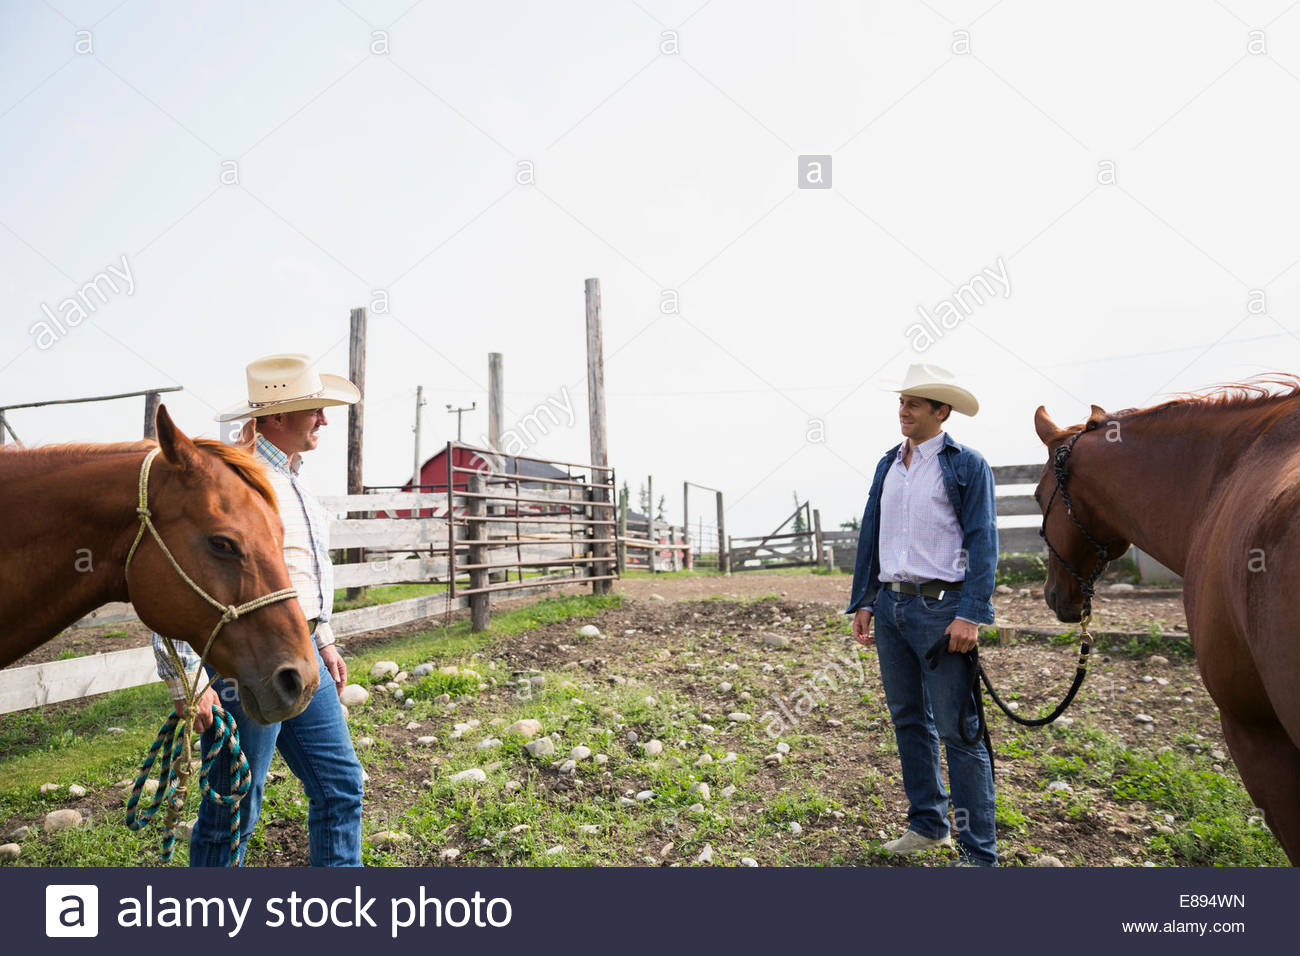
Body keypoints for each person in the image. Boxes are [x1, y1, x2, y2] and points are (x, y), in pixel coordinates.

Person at [152, 353, 364, 867]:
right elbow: (177, 579)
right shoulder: (229, 480)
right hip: (244, 657)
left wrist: (325, 635)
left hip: (300, 647)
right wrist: (189, 681)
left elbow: (307, 570)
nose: (324, 420)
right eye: (314, 409)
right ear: (275, 417)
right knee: (233, 807)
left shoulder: (295, 478)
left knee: (340, 787)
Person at [847, 363, 999, 866]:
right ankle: (929, 825)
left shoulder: (965, 465)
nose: (903, 411)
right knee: (909, 719)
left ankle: (979, 855)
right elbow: (875, 534)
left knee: (960, 731)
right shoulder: (888, 464)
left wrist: (971, 614)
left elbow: (983, 541)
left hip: (943, 611)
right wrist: (867, 600)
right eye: (901, 402)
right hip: (891, 607)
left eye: (914, 403)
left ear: (942, 411)